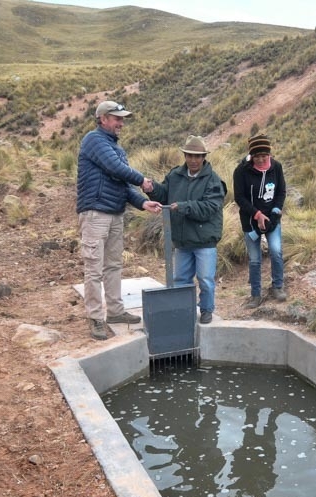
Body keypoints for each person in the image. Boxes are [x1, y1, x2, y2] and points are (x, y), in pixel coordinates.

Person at [77, 100, 162, 340]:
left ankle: (114, 311)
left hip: (114, 213)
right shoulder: (93, 140)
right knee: (94, 268)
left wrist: (142, 202)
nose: (121, 123)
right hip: (95, 212)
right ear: (103, 119)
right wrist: (142, 180)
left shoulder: (117, 149)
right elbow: (115, 168)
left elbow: (122, 184)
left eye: (122, 119)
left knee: (113, 265)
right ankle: (95, 318)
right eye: (117, 118)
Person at [143, 136, 227, 324]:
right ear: (185, 155)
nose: (193, 160)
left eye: (197, 156)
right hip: (182, 240)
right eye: (189, 155)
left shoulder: (213, 180)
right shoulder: (175, 175)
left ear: (204, 157)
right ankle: (184, 312)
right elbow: (165, 195)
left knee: (205, 279)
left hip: (205, 241)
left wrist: (183, 206)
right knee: (181, 279)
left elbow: (209, 208)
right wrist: (151, 188)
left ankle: (206, 309)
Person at [233, 133, 287, 309]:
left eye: (265, 155)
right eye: (258, 156)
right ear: (252, 156)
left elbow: (281, 192)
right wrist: (257, 215)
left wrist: (275, 212)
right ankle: (255, 295)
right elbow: (240, 198)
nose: (262, 159)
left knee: (276, 251)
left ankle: (277, 286)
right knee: (255, 259)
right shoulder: (241, 171)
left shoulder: (276, 168)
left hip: (272, 218)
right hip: (250, 221)